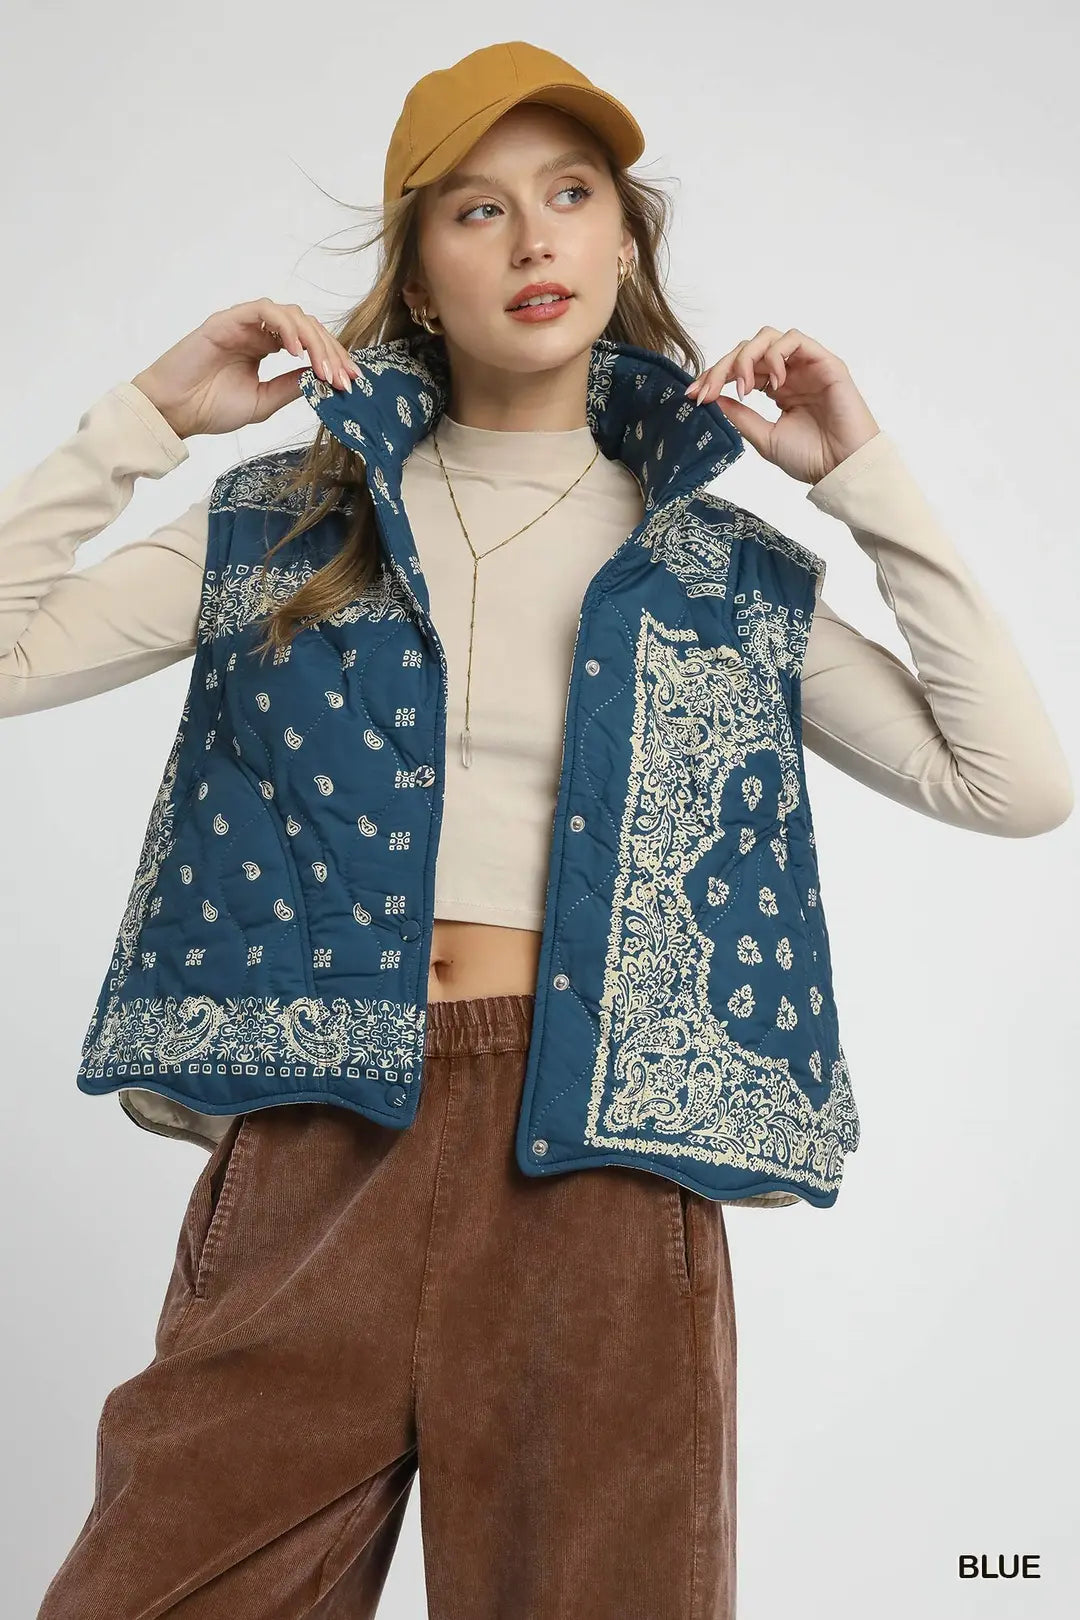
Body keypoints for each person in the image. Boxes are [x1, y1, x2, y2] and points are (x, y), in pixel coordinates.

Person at [4, 37, 1070, 1620]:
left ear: (623, 246)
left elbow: (1014, 781)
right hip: (319, 1140)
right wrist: (144, 422)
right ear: (419, 281)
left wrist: (860, 474)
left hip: (598, 1170)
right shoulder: (290, 526)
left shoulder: (714, 570)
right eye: (477, 209)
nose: (532, 240)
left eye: (571, 195)